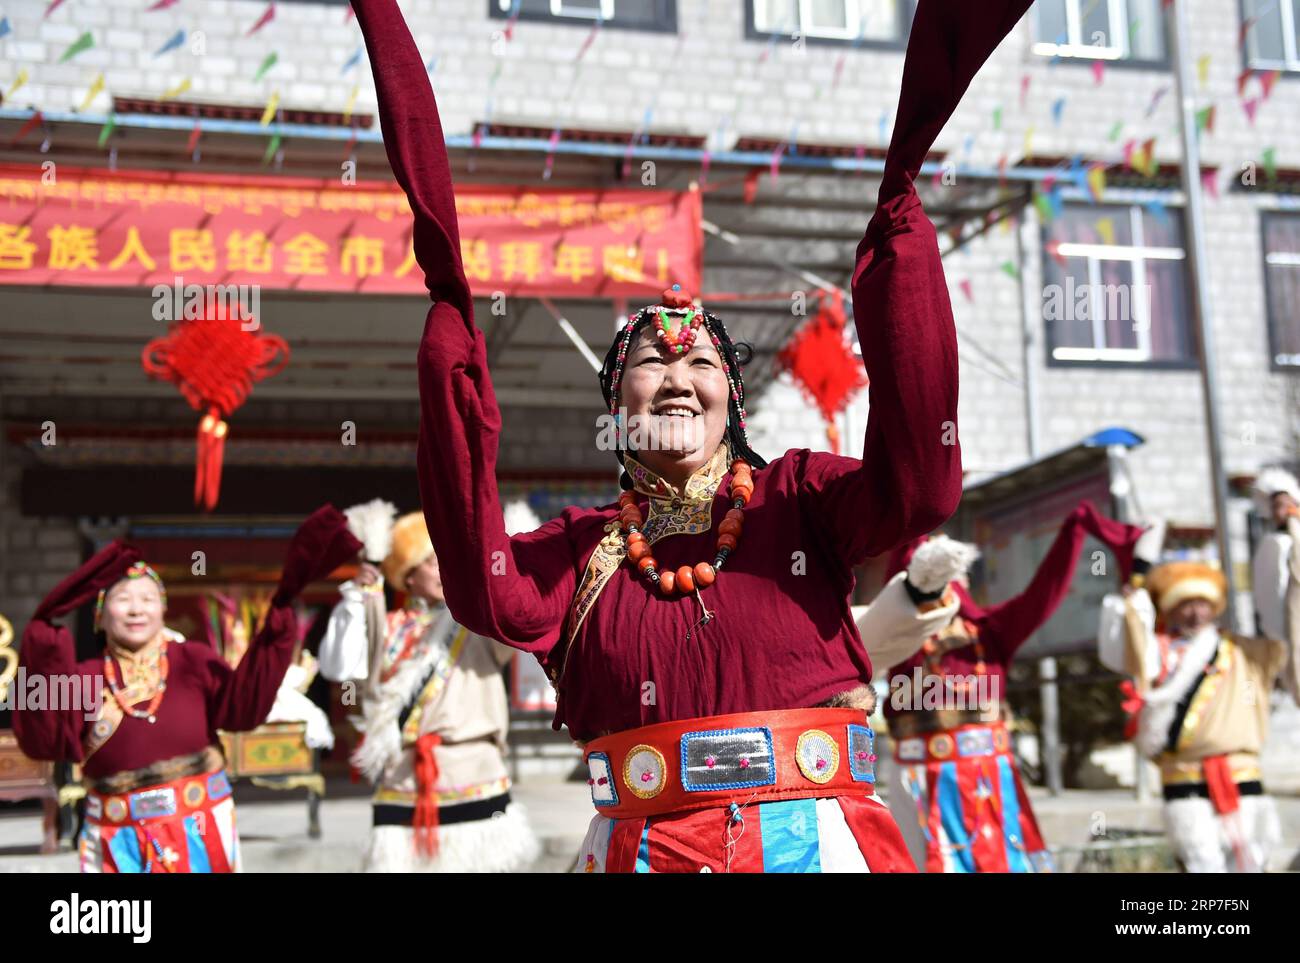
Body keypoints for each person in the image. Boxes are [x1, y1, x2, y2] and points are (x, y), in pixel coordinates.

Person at [353, 0, 1034, 872]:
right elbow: (489, 597)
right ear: (616, 401)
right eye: (649, 361)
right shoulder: (579, 548)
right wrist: (452, 352)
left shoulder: (798, 496)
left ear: (730, 403)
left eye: (704, 363)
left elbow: (920, 491)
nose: (678, 373)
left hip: (815, 843)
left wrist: (898, 241)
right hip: (644, 849)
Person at [13, 506, 360, 873]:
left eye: (147, 599)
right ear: (100, 617)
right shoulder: (82, 676)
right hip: (114, 838)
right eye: (123, 600)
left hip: (197, 827)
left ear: (162, 611)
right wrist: (42, 646)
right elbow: (42, 739)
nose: (136, 610)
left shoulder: (193, 660)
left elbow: (241, 710)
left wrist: (277, 623)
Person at [881, 502, 1142, 872]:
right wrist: (923, 509)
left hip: (989, 778)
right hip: (922, 778)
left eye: (956, 576)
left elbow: (1044, 593)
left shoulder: (992, 632)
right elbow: (902, 575)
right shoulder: (901, 636)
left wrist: (1075, 529)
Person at [320, 504, 539, 872]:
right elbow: (338, 665)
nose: (443, 568)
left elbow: (518, 620)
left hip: (473, 772)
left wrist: (513, 554)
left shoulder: (477, 621)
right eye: (431, 560)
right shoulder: (388, 627)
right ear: (407, 575)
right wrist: (357, 600)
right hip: (404, 778)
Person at [1099, 558, 1293, 872]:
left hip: (1238, 770)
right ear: (1170, 609)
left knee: (1250, 858)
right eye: (1185, 604)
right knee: (1199, 858)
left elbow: (1285, 626)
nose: (1195, 613)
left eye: (1202, 604)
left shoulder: (1245, 651)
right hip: (1182, 773)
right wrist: (1130, 604)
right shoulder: (1158, 653)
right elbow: (1126, 655)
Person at [1250, 468, 1300, 702]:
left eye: (1286, 503)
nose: (1283, 511)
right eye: (1277, 505)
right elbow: (1270, 594)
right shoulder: (1273, 544)